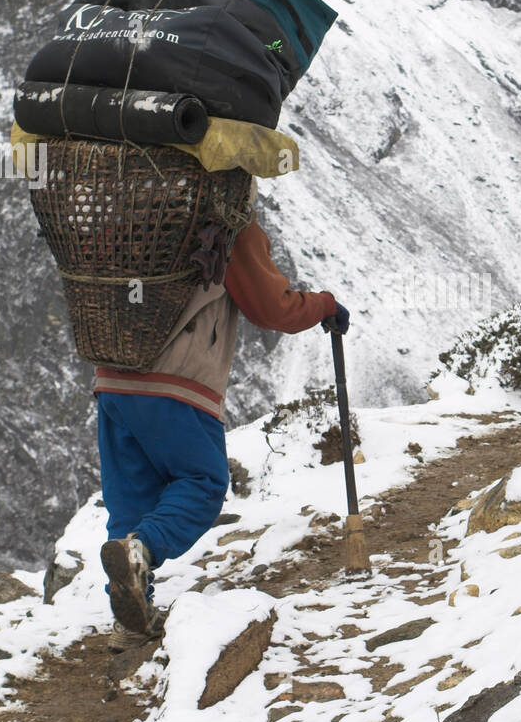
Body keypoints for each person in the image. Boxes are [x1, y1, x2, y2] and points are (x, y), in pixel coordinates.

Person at [94, 176, 349, 651]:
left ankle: (131, 608)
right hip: (177, 382)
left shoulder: (129, 208)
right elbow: (272, 308)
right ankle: (140, 554)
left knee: (130, 500)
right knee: (203, 483)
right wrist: (324, 307)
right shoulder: (224, 220)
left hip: (112, 378)